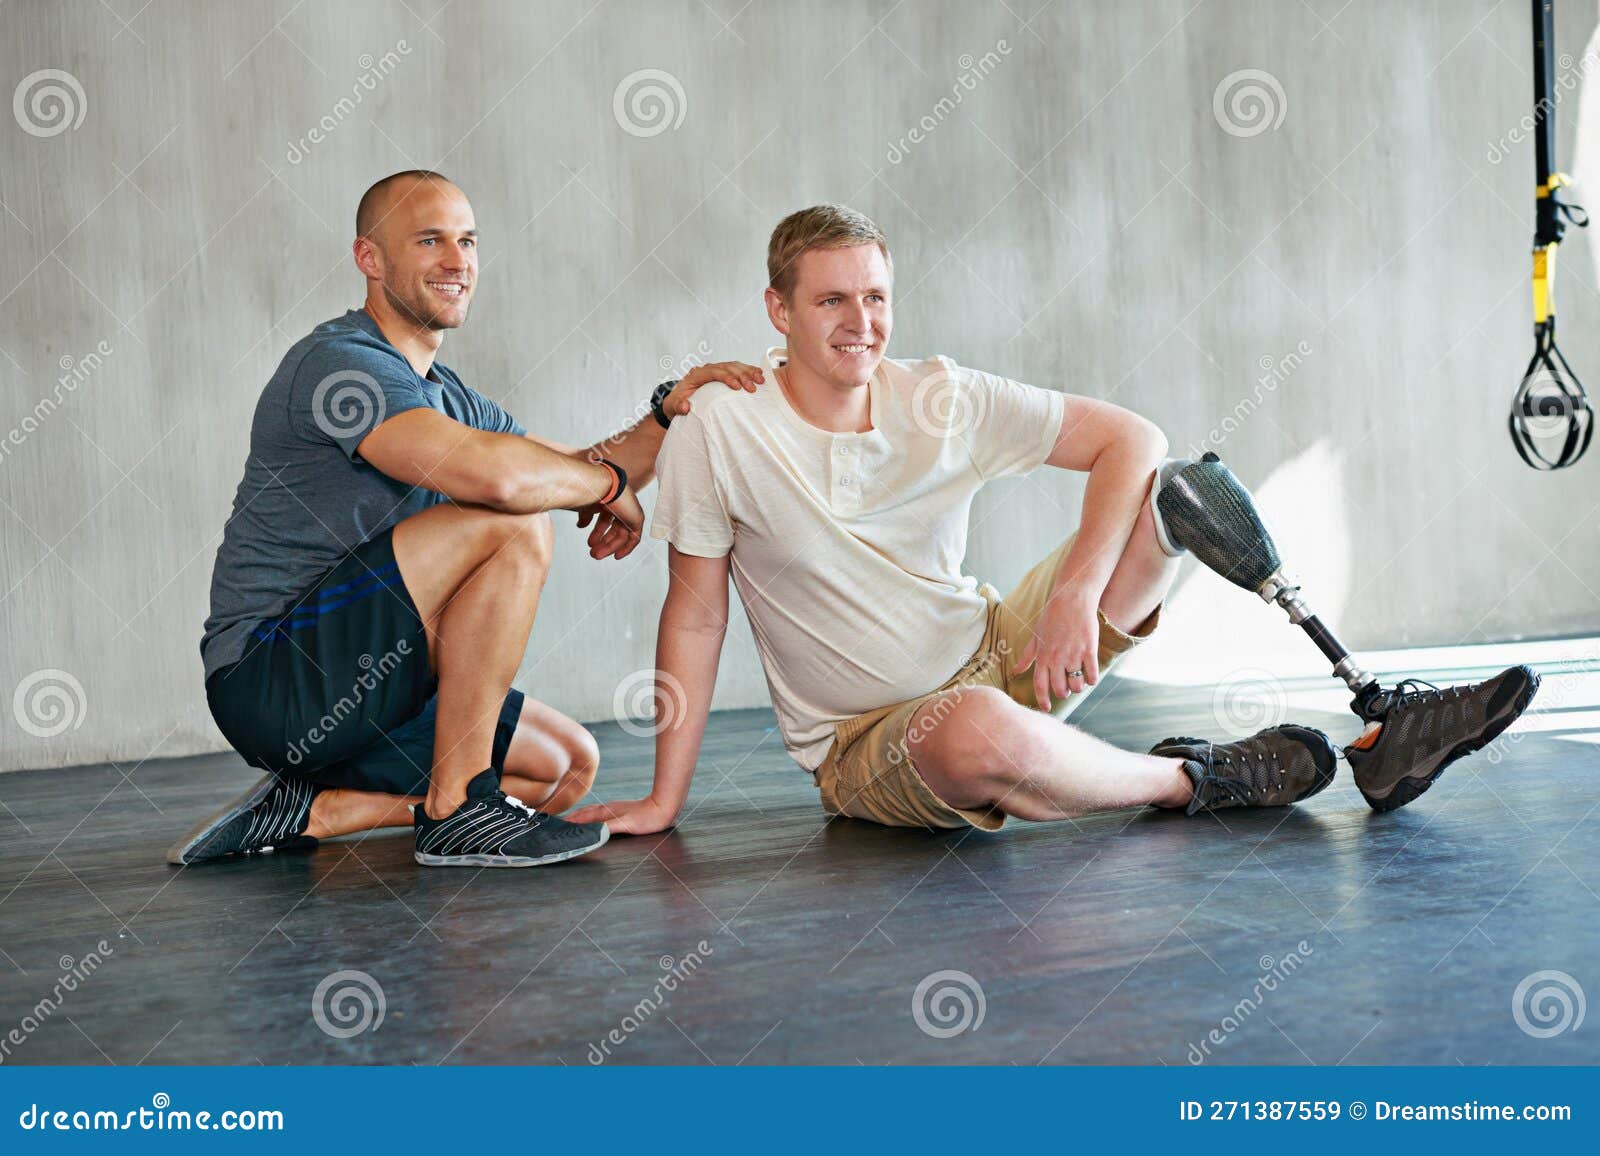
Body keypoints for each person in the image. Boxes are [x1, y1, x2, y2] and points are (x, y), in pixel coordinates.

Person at [568, 204, 1535, 836]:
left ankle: (1377, 716)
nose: (859, 322)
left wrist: (1075, 592)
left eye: (875, 297)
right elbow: (695, 613)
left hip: (1007, 650)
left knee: (1181, 486)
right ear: (776, 311)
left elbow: (1132, 437)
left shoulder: (937, 394)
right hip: (875, 742)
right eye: (830, 300)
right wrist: (664, 798)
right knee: (981, 729)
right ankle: (1198, 779)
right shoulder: (717, 429)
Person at [171, 170, 762, 867]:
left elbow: (574, 462)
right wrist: (601, 487)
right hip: (274, 679)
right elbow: (507, 481)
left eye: (468, 240)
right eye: (430, 240)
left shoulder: (445, 396)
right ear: (371, 259)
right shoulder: (338, 369)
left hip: (378, 679)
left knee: (566, 766)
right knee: (510, 522)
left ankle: (320, 809)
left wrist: (669, 413)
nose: (458, 261)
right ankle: (457, 810)